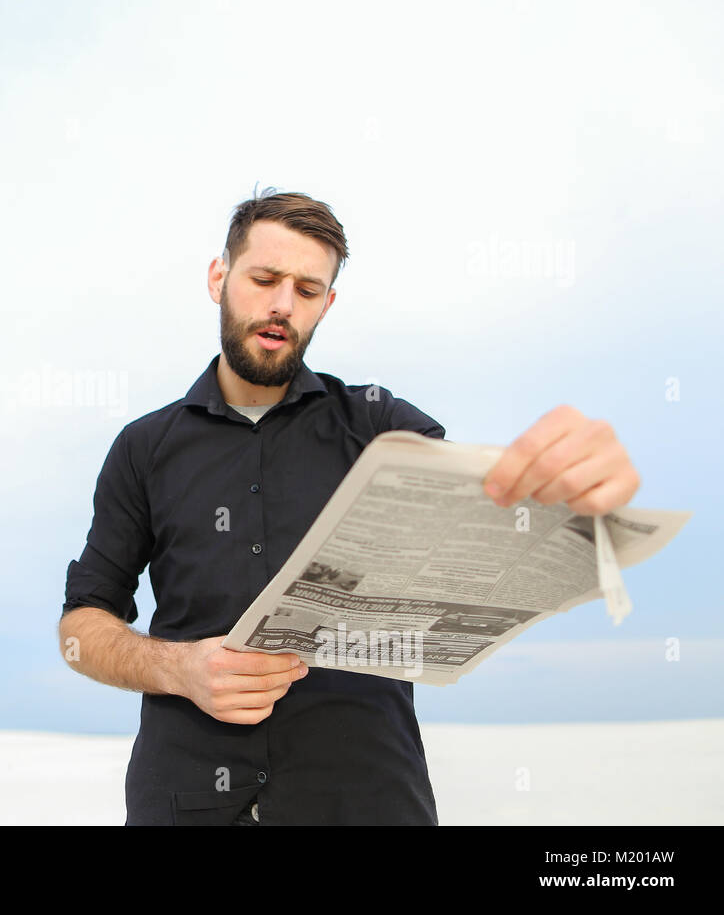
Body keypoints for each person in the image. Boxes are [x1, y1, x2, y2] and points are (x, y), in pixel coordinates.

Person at [58, 189, 641, 825]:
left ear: (327, 305)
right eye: (265, 278)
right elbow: (81, 627)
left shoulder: (379, 425)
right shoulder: (144, 448)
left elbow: (491, 503)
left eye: (308, 290)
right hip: (186, 799)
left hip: (367, 800)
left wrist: (569, 481)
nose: (283, 304)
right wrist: (178, 668)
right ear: (218, 277)